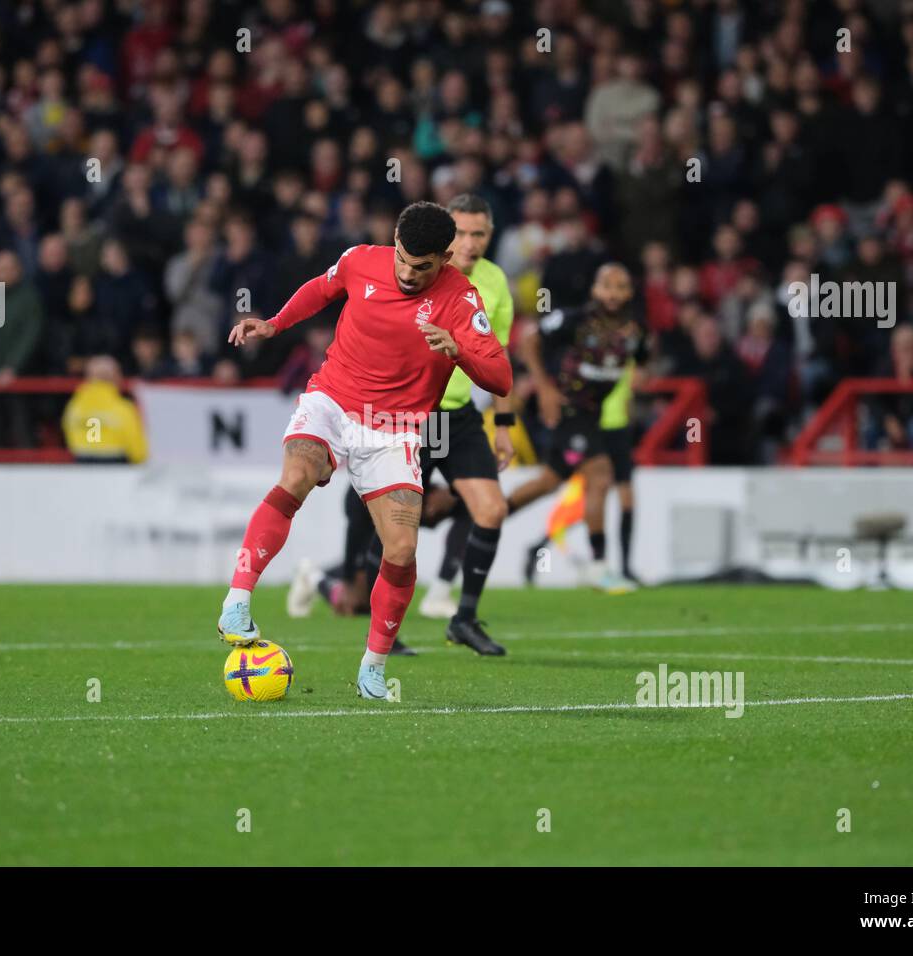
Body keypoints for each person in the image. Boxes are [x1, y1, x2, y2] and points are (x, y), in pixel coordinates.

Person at [219, 202, 512, 700]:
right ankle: (237, 600)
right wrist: (275, 322)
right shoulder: (361, 259)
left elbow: (501, 379)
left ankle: (373, 668)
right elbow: (322, 288)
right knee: (297, 476)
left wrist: (457, 351)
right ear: (394, 241)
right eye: (402, 258)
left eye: (422, 266)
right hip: (333, 400)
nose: (408, 273)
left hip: (395, 430)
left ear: (444, 259)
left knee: (401, 550)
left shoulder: (463, 300)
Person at [411, 194, 515, 656]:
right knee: (398, 524)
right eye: (463, 233)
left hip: (458, 417)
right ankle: (382, 632)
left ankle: (464, 618)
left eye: (480, 234)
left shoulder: (495, 283)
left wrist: (505, 427)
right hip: (413, 414)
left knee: (491, 510)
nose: (471, 244)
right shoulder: (421, 271)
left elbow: (499, 362)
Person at [507, 263, 645, 591]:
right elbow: (529, 340)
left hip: (595, 420)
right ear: (595, 290)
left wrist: (636, 382)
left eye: (620, 286)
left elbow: (641, 360)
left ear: (629, 293)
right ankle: (599, 567)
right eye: (606, 286)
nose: (613, 293)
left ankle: (489, 516)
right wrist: (544, 388)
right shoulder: (575, 320)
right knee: (600, 476)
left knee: (550, 482)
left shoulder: (635, 331)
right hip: (569, 412)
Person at [61, 355, 148, 463]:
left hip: (82, 465)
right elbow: (139, 452)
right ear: (115, 377)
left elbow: (69, 435)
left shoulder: (74, 406)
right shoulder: (123, 408)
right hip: (116, 467)